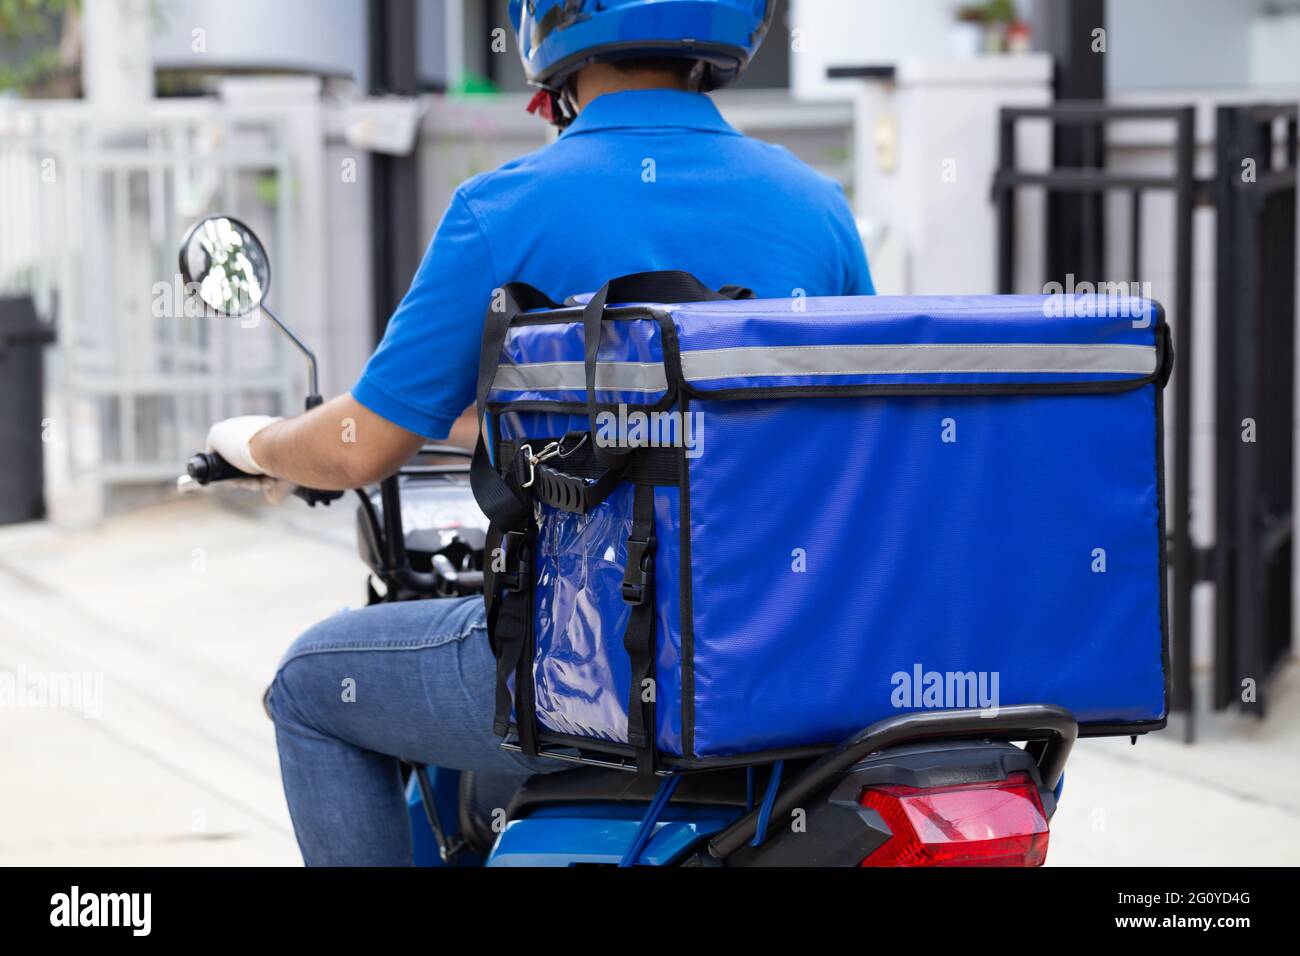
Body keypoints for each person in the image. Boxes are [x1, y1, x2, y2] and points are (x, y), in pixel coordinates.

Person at [208, 0, 874, 865]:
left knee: (307, 684)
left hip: (589, 677)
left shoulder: (506, 208)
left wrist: (255, 444)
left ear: (551, 29)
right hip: (789, 658)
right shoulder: (814, 208)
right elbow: (855, 428)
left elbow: (358, 448)